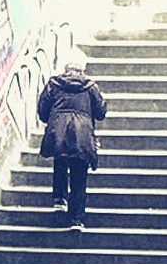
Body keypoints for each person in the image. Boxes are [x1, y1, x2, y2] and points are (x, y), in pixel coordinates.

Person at [36, 58, 111, 225]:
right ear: (81, 71)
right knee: (79, 175)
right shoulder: (91, 87)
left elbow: (42, 111)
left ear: (65, 70)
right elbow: (101, 112)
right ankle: (76, 218)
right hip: (82, 135)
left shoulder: (54, 84)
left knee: (60, 161)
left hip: (59, 131)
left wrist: (54, 118)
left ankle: (59, 199)